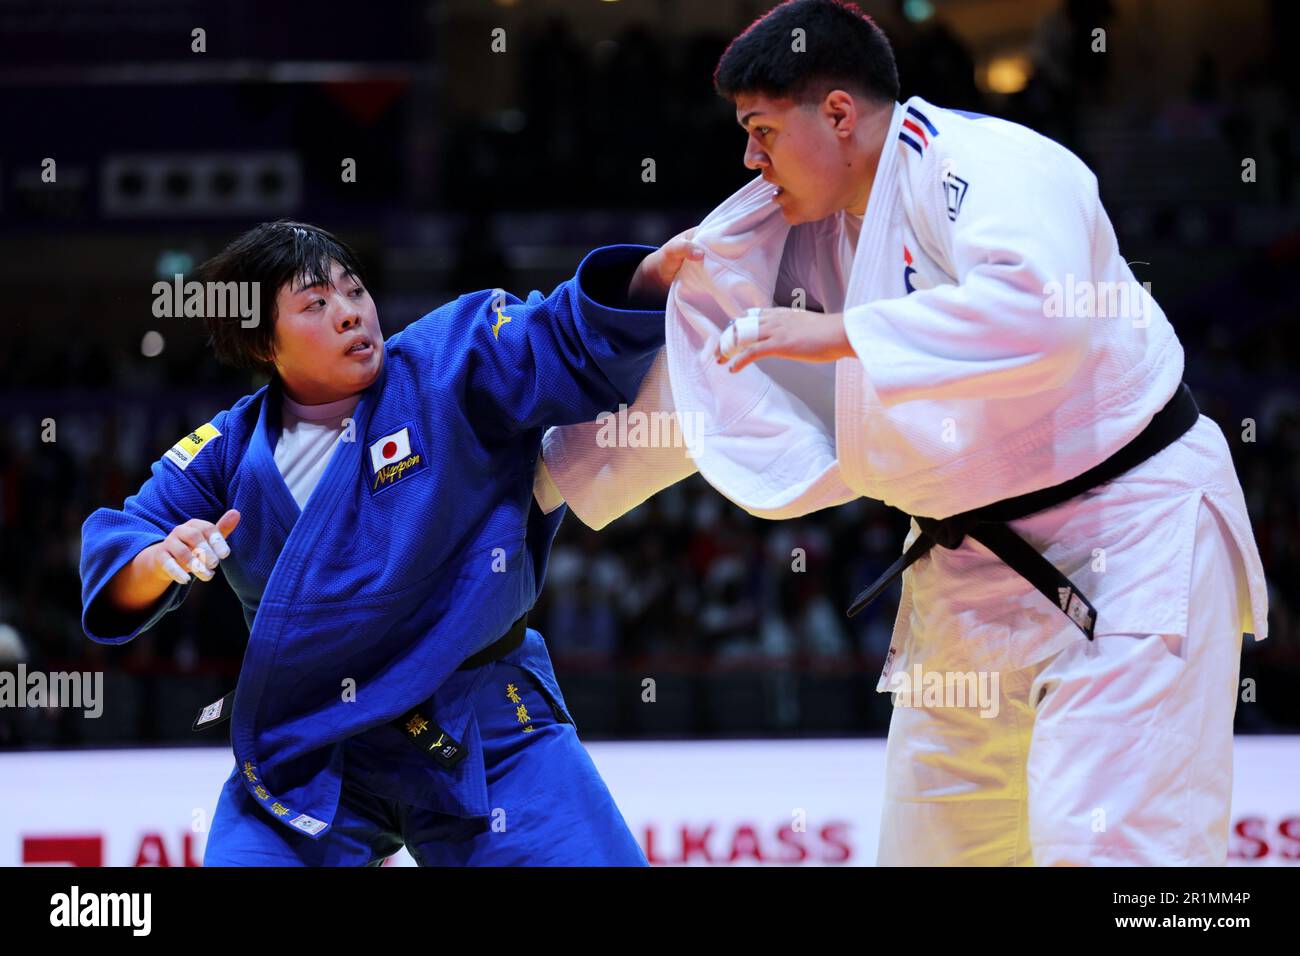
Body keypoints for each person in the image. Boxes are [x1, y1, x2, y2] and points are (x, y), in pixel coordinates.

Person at [539, 0, 1270, 865]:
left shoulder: (988, 163)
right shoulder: (782, 235)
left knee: (1113, 851)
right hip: (964, 566)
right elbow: (709, 391)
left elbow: (1048, 315)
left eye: (762, 129)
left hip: (1128, 533)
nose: (749, 157)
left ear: (840, 113)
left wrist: (845, 333)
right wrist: (535, 489)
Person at [79, 220, 700, 866]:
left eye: (353, 291)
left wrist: (643, 280)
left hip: (483, 719)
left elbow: (555, 335)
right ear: (263, 342)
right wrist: (159, 562)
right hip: (316, 740)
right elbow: (124, 546)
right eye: (316, 305)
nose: (349, 314)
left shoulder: (446, 360)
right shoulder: (227, 454)